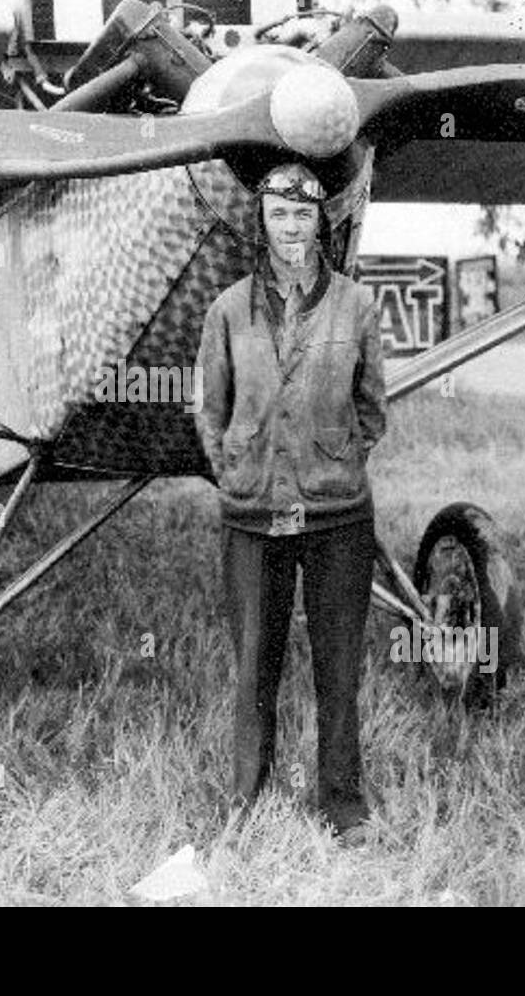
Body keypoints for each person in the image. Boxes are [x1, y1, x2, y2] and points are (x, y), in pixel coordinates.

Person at [193, 160, 387, 847]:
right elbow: (209, 413)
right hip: (252, 513)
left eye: (304, 214)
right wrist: (240, 469)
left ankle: (343, 805)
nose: (293, 226)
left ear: (320, 222)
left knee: (339, 665)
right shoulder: (226, 311)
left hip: (338, 516)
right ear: (263, 223)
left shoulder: (358, 307)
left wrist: (330, 461)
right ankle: (249, 799)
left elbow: (372, 410)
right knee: (254, 664)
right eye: (280, 214)